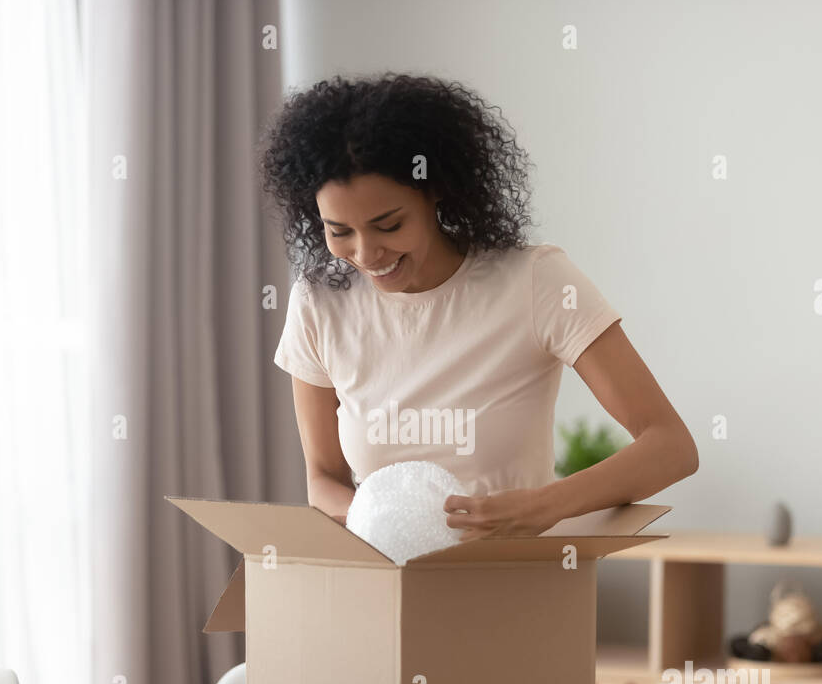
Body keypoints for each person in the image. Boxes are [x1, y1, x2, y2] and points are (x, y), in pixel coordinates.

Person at [259, 73, 697, 539]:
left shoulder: (534, 282)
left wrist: (545, 505)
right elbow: (323, 479)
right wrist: (383, 522)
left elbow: (670, 447)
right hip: (380, 589)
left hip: (508, 585)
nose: (366, 254)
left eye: (388, 225)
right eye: (339, 231)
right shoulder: (320, 301)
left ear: (436, 190)